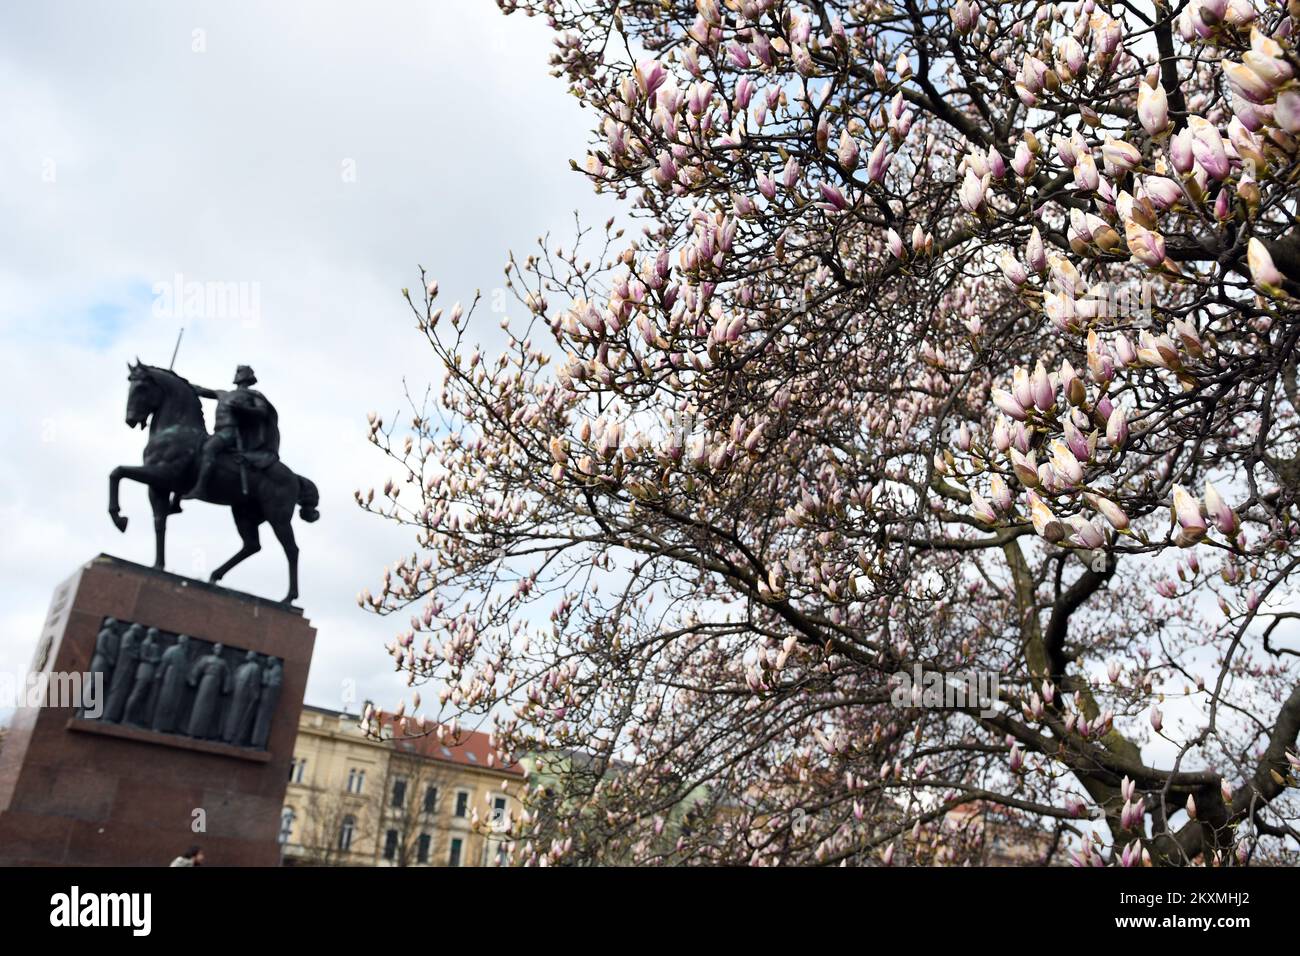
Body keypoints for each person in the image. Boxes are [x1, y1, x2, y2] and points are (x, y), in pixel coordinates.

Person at [183, 365, 279, 501]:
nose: (237, 374)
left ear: (247, 377)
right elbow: (200, 390)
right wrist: (176, 380)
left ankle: (200, 489)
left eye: (240, 372)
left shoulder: (254, 395)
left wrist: (243, 409)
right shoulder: (223, 394)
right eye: (237, 372)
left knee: (209, 448)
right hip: (218, 432)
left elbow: (262, 412)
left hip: (232, 432)